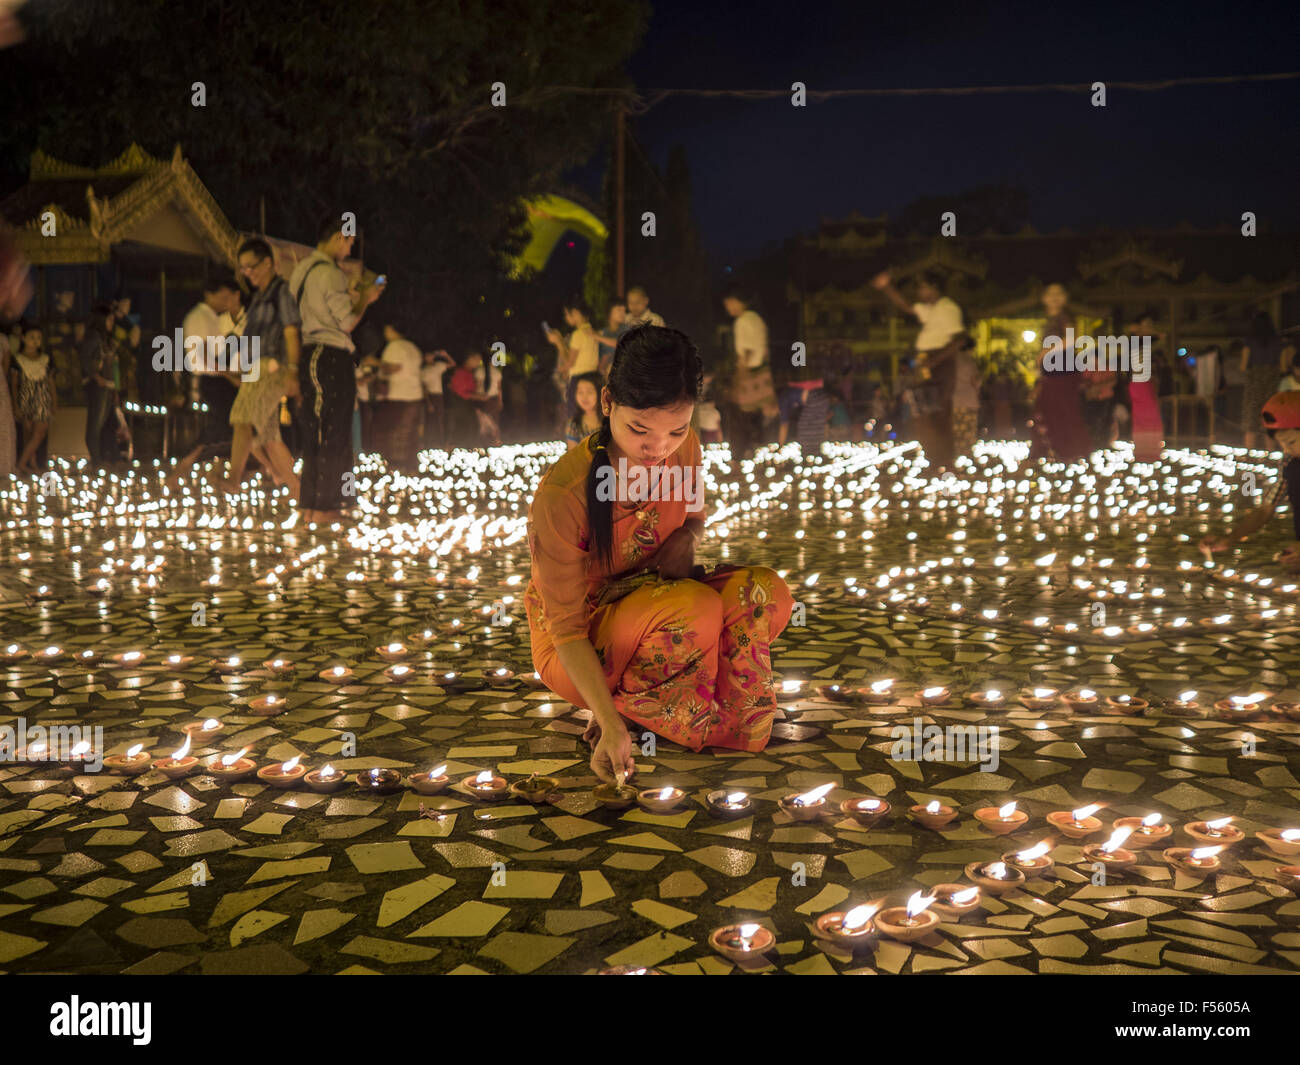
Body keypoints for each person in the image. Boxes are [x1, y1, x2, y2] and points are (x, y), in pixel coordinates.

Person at [524, 325, 794, 782]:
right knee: (696, 609)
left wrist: (686, 539)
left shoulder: (683, 446)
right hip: (581, 642)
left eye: (676, 429)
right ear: (607, 403)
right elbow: (565, 631)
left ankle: (669, 709)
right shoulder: (563, 493)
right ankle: (629, 709)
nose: (659, 448)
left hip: (662, 601)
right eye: (639, 429)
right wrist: (609, 723)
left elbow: (693, 517)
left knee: (766, 593)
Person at [288, 214, 385, 525]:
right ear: (338, 237)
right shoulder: (329, 273)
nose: (350, 249)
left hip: (310, 354)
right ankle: (325, 508)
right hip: (329, 354)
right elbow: (346, 322)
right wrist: (367, 299)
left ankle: (313, 506)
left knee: (317, 430)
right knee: (333, 431)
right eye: (350, 241)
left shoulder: (301, 270)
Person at [223, 238, 301, 498]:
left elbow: (291, 333)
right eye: (243, 269)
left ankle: (234, 479)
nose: (247, 274)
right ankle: (300, 492)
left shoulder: (282, 292)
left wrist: (292, 371)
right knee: (268, 436)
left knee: (242, 417)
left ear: (268, 263)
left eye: (251, 267)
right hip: (256, 367)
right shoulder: (257, 299)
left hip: (273, 366)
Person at [872, 269, 965, 470]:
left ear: (934, 288)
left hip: (939, 364)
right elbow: (907, 308)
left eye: (922, 287)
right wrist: (887, 288)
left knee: (935, 413)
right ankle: (936, 461)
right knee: (923, 412)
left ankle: (943, 463)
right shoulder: (930, 309)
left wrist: (934, 361)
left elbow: (960, 339)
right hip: (926, 363)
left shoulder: (948, 308)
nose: (919, 291)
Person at [1200, 391, 1300, 573]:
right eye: (1282, 444)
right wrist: (1231, 538)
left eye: (1292, 442)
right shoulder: (1291, 464)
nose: (1287, 450)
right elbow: (1265, 509)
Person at [166, 277, 242, 489]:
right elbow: (203, 356)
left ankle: (217, 473)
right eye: (223, 296)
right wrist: (230, 375)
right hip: (211, 380)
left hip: (217, 378)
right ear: (209, 294)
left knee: (228, 427)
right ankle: (183, 469)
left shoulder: (212, 317)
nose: (226, 301)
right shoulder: (200, 317)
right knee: (223, 426)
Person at [1028, 283, 1092, 463]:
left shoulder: (1064, 317)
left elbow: (1072, 338)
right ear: (1044, 298)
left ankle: (1069, 452)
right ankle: (1057, 451)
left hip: (1064, 371)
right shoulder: (1051, 319)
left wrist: (1045, 352)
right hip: (1053, 372)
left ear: (1065, 298)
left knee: (1062, 410)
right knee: (1050, 410)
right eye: (1050, 293)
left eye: (1059, 293)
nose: (1055, 297)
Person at [722, 289, 775, 458]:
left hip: (748, 374)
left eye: (728, 303)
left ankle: (739, 454)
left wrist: (740, 376)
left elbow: (746, 351)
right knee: (754, 416)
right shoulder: (758, 319)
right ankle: (754, 450)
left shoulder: (743, 321)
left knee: (738, 416)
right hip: (761, 373)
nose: (728, 308)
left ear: (736, 300)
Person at [374, 323, 424, 472]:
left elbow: (393, 368)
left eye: (386, 330)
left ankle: (397, 465)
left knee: (395, 430)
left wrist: (374, 363)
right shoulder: (413, 347)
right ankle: (410, 465)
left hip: (399, 395)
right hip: (415, 394)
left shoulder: (394, 347)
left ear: (392, 330)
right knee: (410, 432)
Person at [11, 322, 55, 474]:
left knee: (40, 431)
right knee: (28, 433)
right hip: (26, 397)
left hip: (42, 398)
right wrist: (16, 405)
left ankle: (22, 463)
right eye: (31, 337)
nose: (35, 341)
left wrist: (54, 402)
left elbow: (51, 382)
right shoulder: (17, 359)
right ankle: (31, 464)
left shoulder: (45, 359)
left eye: (38, 337)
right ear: (23, 338)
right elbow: (14, 383)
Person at [79, 303, 117, 468]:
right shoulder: (93, 337)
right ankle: (96, 462)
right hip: (99, 387)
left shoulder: (104, 338)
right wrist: (95, 376)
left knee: (100, 425)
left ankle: (98, 460)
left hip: (107, 386)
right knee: (94, 427)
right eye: (109, 319)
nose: (111, 323)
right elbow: (85, 359)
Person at [1240, 312, 1284, 451]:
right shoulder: (1278, 343)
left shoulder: (1249, 343)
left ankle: (1249, 457)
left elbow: (1243, 366)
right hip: (1272, 386)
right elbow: (1283, 367)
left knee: (1251, 424)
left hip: (1254, 386)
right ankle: (1270, 457)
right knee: (1269, 424)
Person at [546, 297, 599, 407]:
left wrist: (558, 343)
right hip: (592, 377)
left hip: (578, 380)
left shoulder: (578, 335)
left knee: (573, 411)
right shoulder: (591, 331)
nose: (565, 318)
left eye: (566, 314)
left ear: (574, 312)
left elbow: (570, 363)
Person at [421, 349, 454, 449]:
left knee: (440, 419)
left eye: (430, 355)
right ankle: (429, 443)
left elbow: (452, 364)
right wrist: (429, 402)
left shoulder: (438, 366)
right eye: (426, 356)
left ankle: (441, 442)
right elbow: (424, 387)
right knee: (430, 420)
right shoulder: (423, 370)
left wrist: (446, 355)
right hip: (430, 395)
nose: (429, 358)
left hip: (439, 395)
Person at [564, 370, 603, 448]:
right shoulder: (574, 425)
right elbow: (574, 456)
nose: (584, 397)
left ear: (600, 393)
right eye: (580, 392)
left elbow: (622, 455)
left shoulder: (612, 421)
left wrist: (622, 461)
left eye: (589, 392)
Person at [596, 299, 629, 376]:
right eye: (619, 310)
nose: (623, 313)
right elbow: (601, 363)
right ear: (609, 312)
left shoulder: (626, 329)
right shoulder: (603, 332)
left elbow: (620, 343)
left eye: (624, 310)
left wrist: (597, 337)